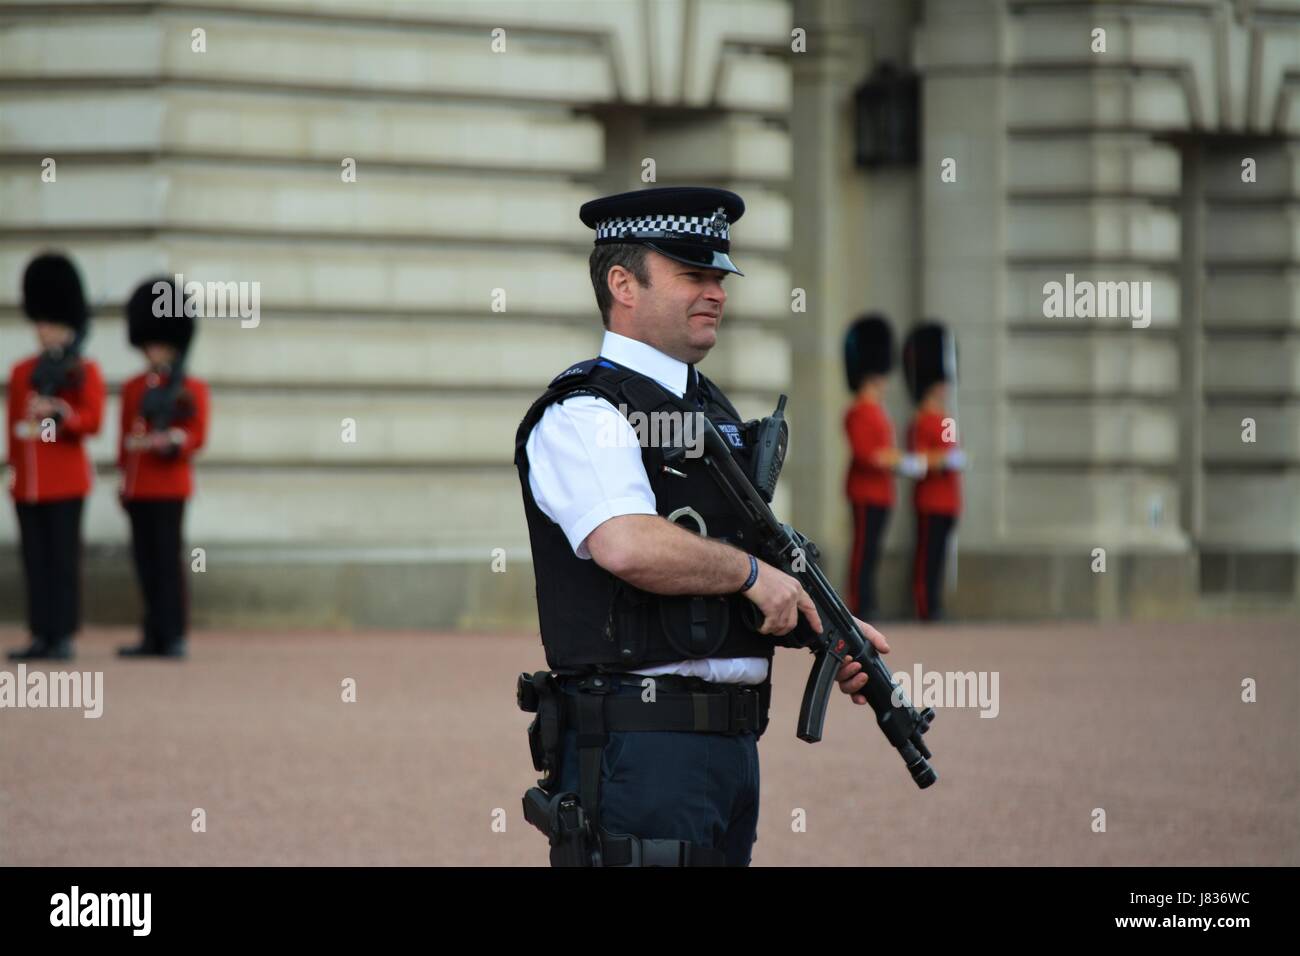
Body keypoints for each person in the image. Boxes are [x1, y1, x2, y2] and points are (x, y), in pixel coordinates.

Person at [513, 186, 890, 867]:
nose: (716, 291)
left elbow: (744, 547)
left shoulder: (705, 410)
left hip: (727, 749)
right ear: (623, 284)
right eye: (693, 275)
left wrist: (825, 627)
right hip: (640, 747)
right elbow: (626, 543)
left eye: (719, 277)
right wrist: (753, 577)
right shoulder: (585, 413)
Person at [6, 252, 105, 661]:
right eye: (42, 324)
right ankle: (40, 633)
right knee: (35, 562)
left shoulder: (82, 371)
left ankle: (62, 634)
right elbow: (16, 427)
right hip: (28, 482)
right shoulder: (22, 371)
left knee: (62, 562)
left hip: (64, 481)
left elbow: (92, 420)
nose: (44, 331)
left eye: (53, 324)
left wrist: (59, 414)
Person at [116, 278, 208, 659]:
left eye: (159, 343)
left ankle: (173, 634)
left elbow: (196, 435)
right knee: (145, 563)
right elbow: (125, 439)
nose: (153, 351)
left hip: (169, 487)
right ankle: (152, 632)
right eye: (149, 343)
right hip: (139, 488)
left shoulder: (190, 388)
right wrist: (125, 481)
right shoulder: (135, 387)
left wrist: (172, 439)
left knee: (168, 563)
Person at [842, 313, 926, 619]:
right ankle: (859, 604)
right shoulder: (858, 411)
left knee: (872, 551)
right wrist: (902, 460)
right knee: (864, 551)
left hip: (881, 492)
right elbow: (869, 454)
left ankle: (868, 602)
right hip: (865, 491)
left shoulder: (875, 410)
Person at [902, 321, 965, 622]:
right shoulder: (921, 420)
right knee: (927, 558)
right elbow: (920, 459)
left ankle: (935, 603)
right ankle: (926, 607)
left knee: (938, 557)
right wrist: (945, 460)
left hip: (949, 499)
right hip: (930, 499)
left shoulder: (945, 418)